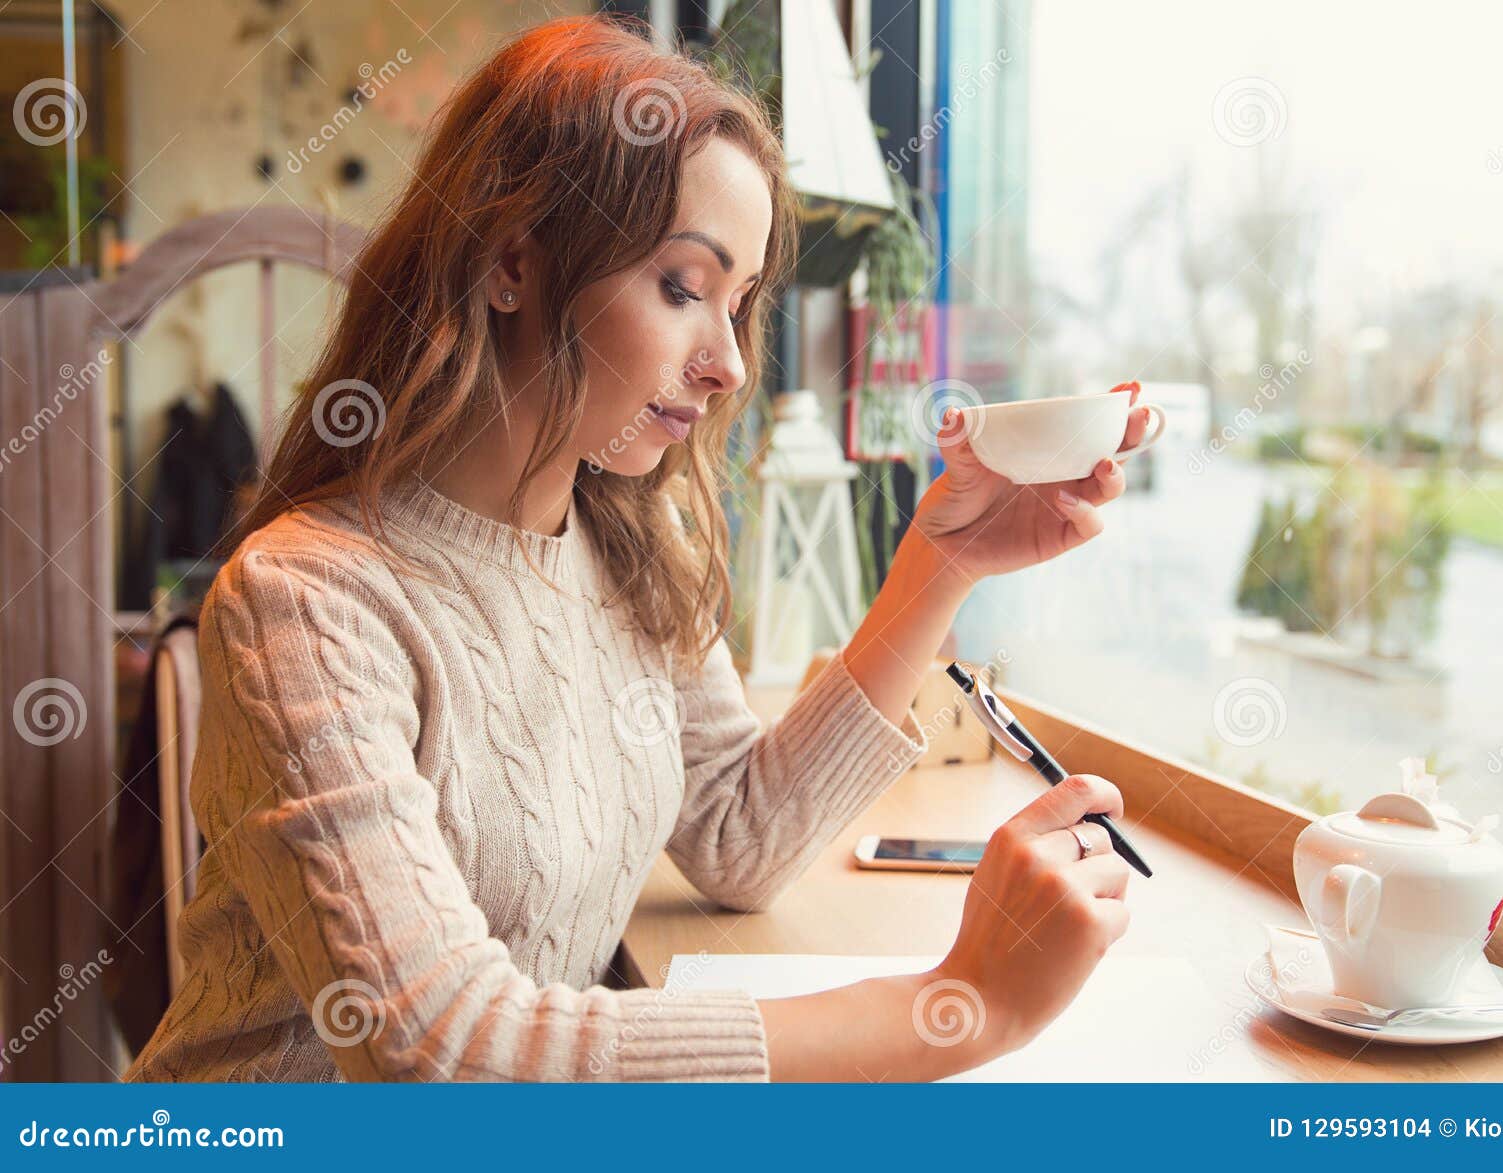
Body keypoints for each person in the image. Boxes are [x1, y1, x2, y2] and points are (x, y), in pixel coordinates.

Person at [125, 14, 1152, 1084]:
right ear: (512, 262)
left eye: (740, 305)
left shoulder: (628, 544)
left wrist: (945, 562)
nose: (729, 364)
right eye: (683, 288)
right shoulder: (307, 601)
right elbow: (444, 1052)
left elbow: (740, 834)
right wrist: (957, 1008)